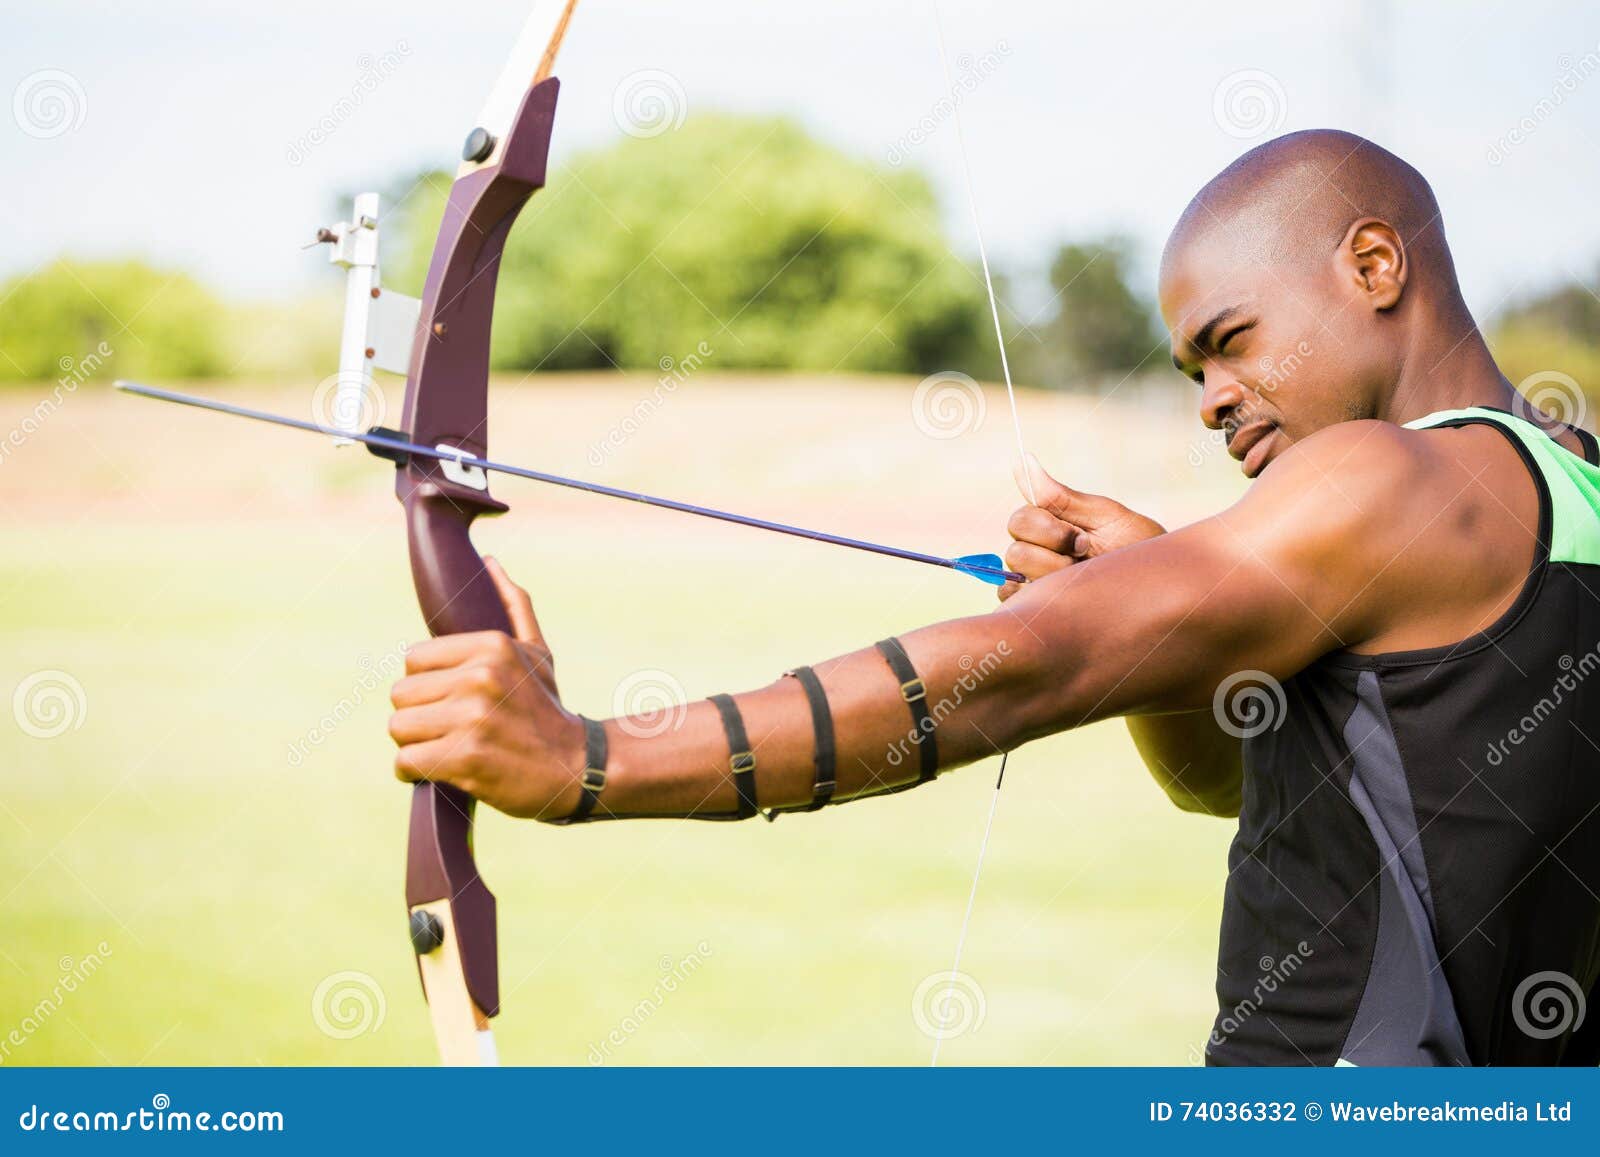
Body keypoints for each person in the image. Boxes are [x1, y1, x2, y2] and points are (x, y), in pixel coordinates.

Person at [387, 129, 1600, 1066]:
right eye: (1192, 368)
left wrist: (585, 757)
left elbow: (1018, 667)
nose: (1211, 397)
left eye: (1232, 340)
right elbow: (1241, 778)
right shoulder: (1568, 476)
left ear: (1374, 264)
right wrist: (1164, 597)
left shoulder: (1387, 478)